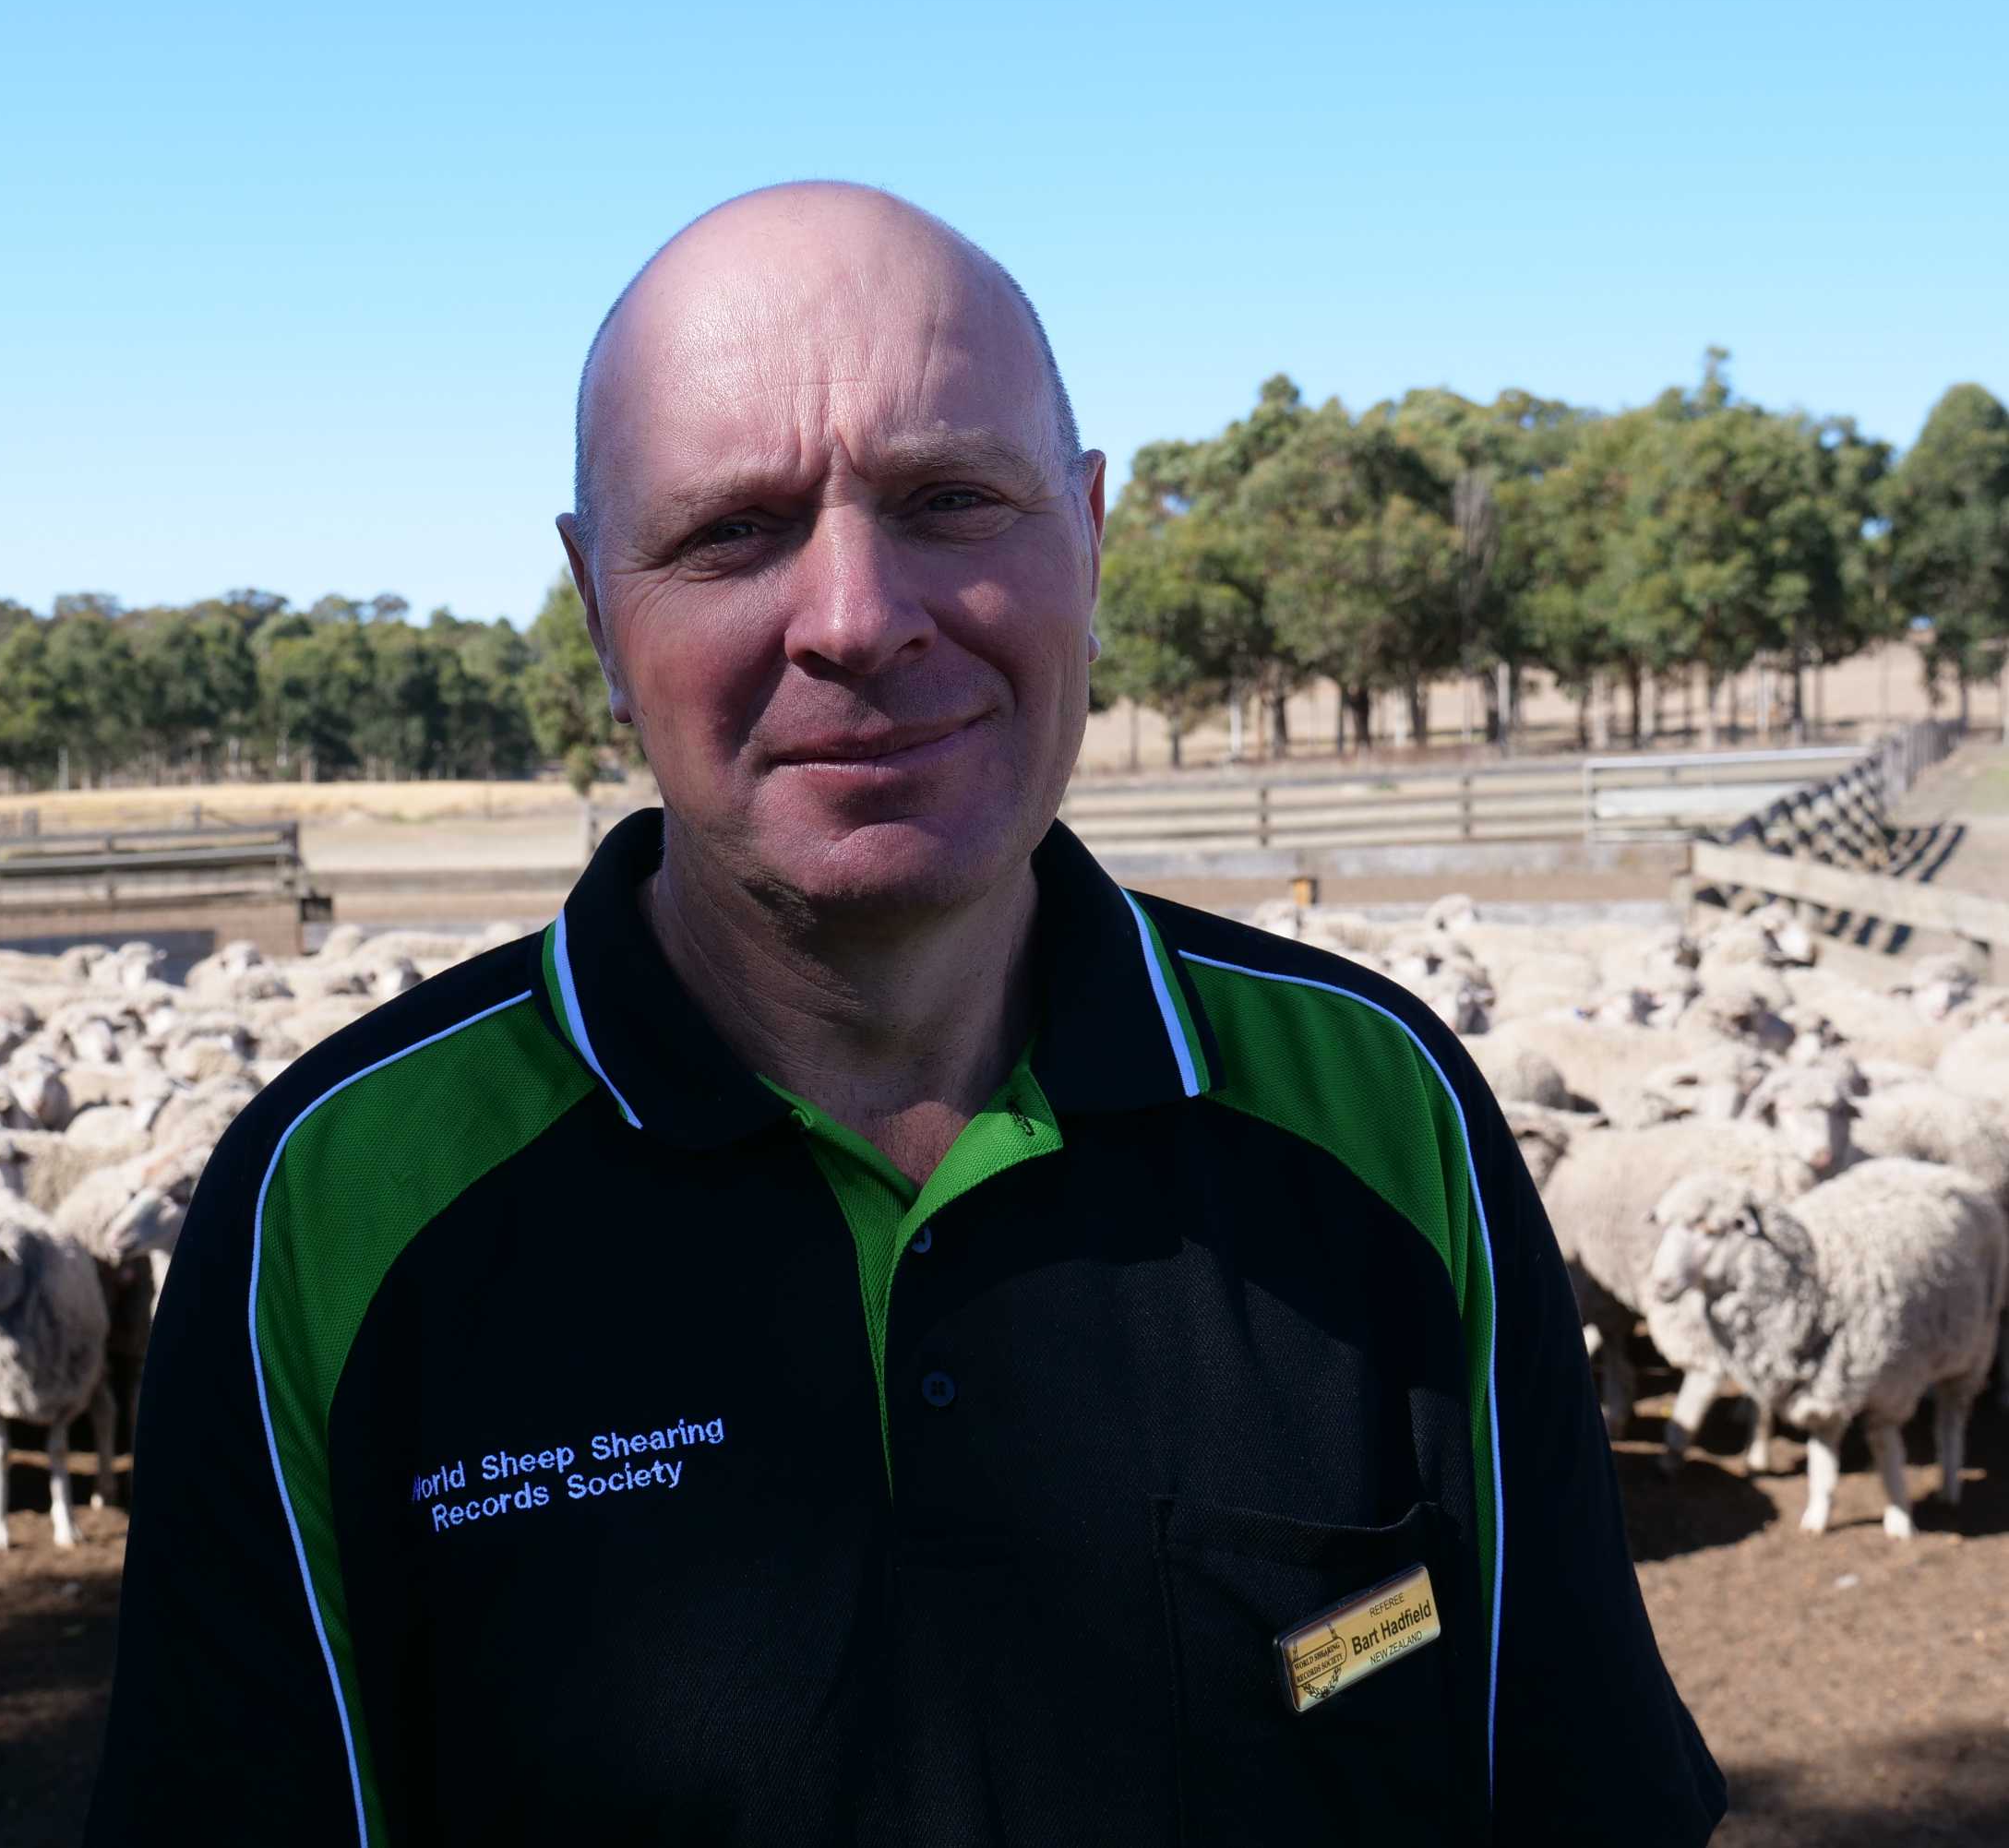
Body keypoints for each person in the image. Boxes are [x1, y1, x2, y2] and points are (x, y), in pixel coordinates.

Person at [84, 183, 1724, 1845]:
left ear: (1090, 532)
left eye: (951, 497)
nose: (858, 617)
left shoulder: (1386, 1120)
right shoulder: (334, 1209)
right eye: (730, 530)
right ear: (595, 603)